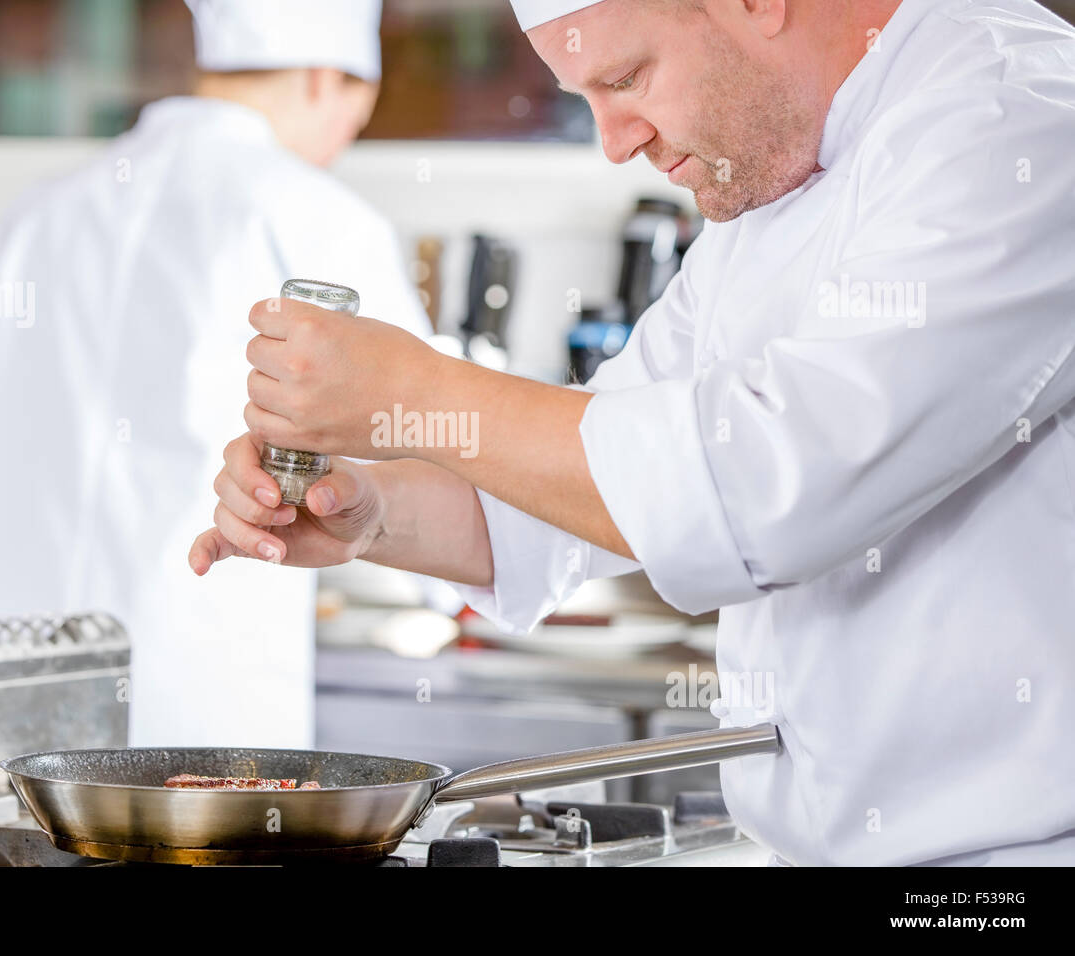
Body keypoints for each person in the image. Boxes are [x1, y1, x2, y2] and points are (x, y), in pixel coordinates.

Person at [192, 0, 1075, 864]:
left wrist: (416, 389)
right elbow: (591, 478)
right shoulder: (772, 177)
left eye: (625, 77)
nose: (617, 142)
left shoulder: (1018, 116)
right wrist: (372, 510)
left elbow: (768, 484)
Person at [0, 0, 431, 749]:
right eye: (357, 117)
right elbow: (420, 454)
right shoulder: (323, 219)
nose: (344, 143)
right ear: (326, 81)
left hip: (4, 710)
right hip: (199, 701)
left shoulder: (36, 215)